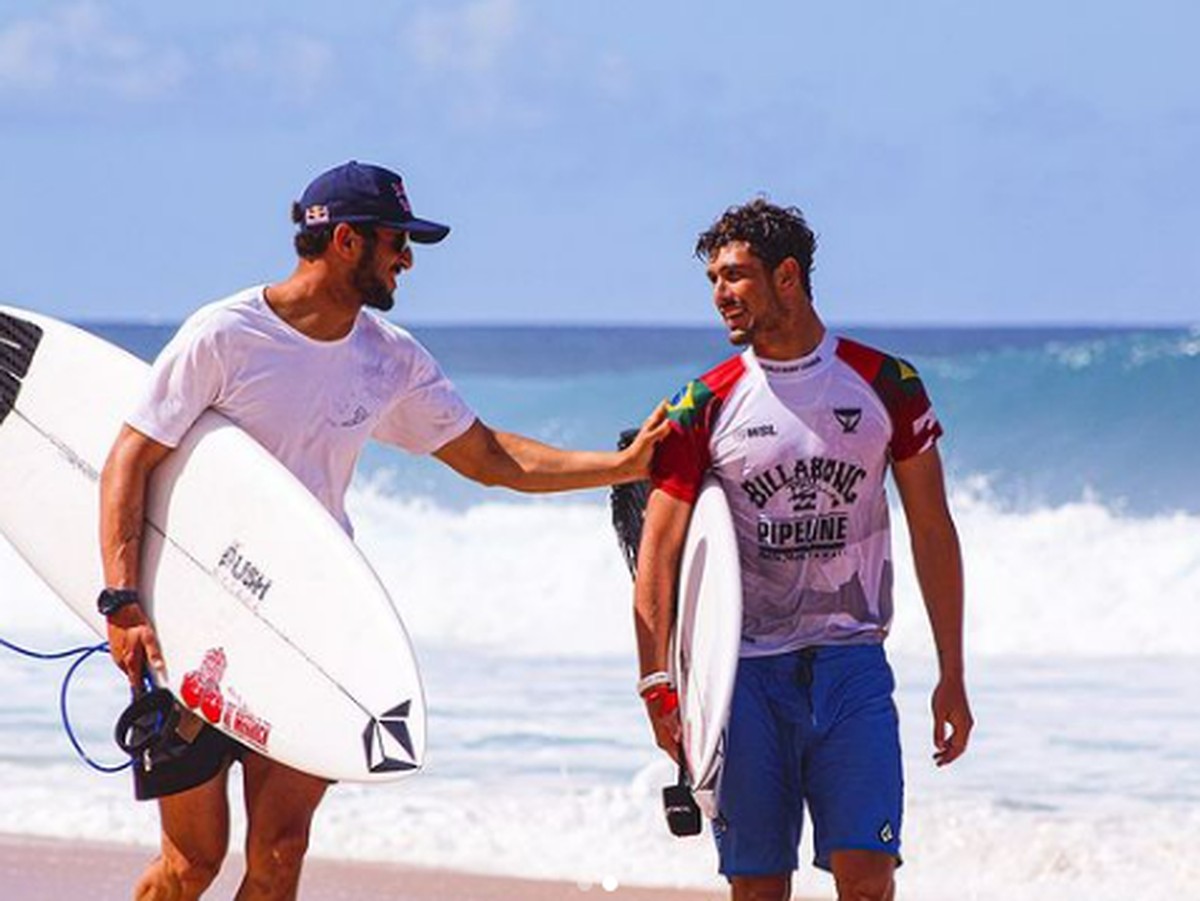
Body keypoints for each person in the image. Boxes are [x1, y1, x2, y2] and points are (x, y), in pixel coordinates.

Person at [97, 159, 668, 901]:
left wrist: (621, 465)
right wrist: (123, 601)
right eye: (398, 240)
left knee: (279, 854)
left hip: (310, 630)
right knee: (191, 863)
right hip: (196, 629)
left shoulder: (387, 359)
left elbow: (489, 456)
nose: (407, 258)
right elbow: (129, 459)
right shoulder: (226, 337)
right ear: (345, 241)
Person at [632, 199, 972, 901]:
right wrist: (658, 684)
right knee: (758, 889)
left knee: (869, 880)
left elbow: (932, 528)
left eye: (736, 276)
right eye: (714, 280)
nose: (722, 294)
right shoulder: (705, 402)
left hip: (852, 666)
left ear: (787, 276)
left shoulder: (887, 384)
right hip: (746, 673)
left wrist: (952, 671)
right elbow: (660, 549)